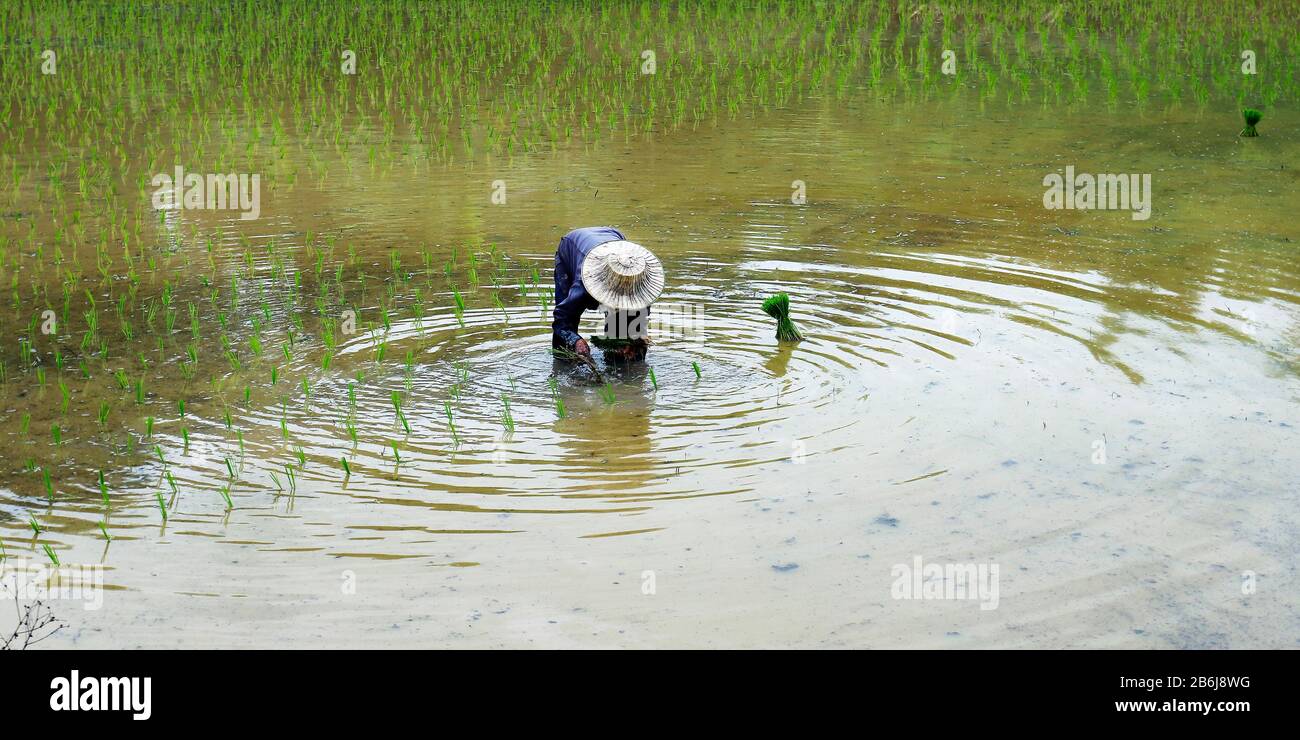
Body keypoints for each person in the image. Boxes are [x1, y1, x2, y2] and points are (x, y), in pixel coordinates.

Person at [551, 227, 664, 362]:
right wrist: (576, 341)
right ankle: (563, 366)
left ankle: (619, 367)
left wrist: (632, 339)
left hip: (613, 238)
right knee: (566, 343)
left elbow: (637, 322)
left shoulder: (640, 286)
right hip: (572, 246)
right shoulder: (583, 284)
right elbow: (561, 318)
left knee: (622, 335)